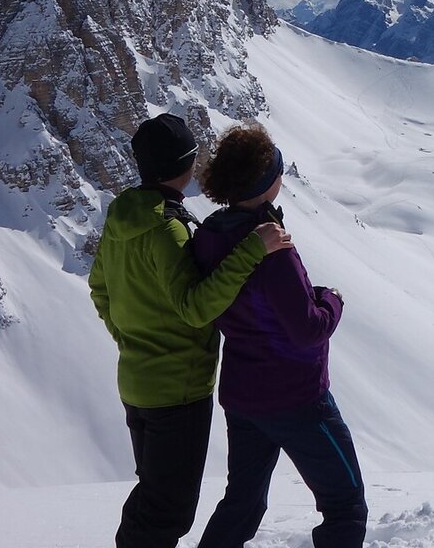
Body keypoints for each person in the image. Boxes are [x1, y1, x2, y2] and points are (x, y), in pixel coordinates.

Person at [88, 113, 294, 548]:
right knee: (169, 510)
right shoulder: (167, 228)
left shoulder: (123, 216)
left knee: (154, 497)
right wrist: (253, 249)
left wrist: (133, 340)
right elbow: (196, 307)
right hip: (178, 390)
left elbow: (100, 289)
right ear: (185, 164)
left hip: (137, 383)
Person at [191, 124, 367, 548]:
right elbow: (308, 328)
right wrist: (333, 298)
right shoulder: (272, 248)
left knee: (244, 503)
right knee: (345, 504)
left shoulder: (209, 235)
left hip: (244, 395)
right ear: (268, 182)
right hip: (297, 397)